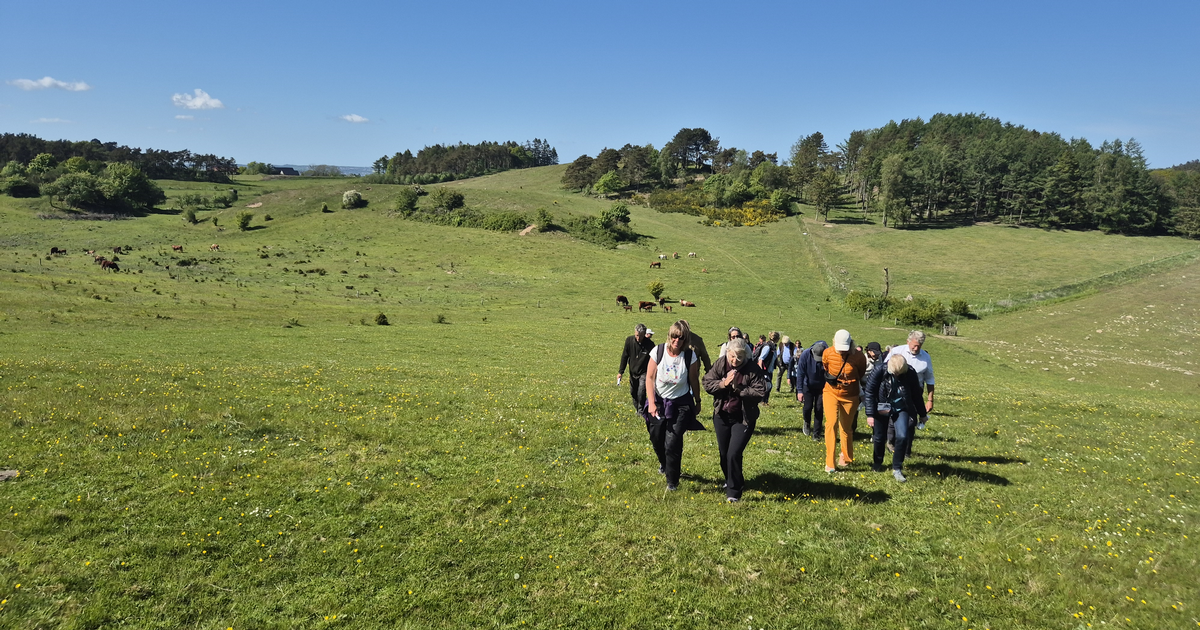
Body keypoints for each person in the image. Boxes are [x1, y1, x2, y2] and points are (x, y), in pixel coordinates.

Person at [702, 337, 768, 502]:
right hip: (722, 415)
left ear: (745, 355)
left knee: (733, 453)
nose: (735, 360)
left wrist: (740, 390)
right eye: (732, 356)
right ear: (727, 353)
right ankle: (733, 479)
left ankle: (734, 492)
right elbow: (707, 382)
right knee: (724, 454)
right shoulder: (721, 363)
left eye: (739, 357)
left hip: (743, 418)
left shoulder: (752, 369)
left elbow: (760, 392)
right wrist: (723, 384)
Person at [646, 320, 703, 491]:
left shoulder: (689, 356)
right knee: (656, 437)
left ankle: (672, 481)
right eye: (674, 336)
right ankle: (664, 464)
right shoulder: (658, 351)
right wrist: (651, 403)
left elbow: (693, 380)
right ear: (669, 336)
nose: (677, 341)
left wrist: (698, 401)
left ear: (686, 340)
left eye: (681, 338)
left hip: (681, 404)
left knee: (673, 442)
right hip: (658, 401)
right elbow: (649, 378)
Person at [863, 354, 928, 482]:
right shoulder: (879, 370)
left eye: (900, 373)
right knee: (879, 437)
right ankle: (878, 462)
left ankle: (897, 468)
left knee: (903, 436)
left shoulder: (910, 373)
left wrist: (923, 414)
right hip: (881, 407)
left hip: (902, 408)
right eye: (895, 373)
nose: (897, 375)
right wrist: (870, 415)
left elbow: (916, 395)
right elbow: (869, 393)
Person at [821, 329, 867, 473]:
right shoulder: (827, 353)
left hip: (850, 395)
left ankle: (846, 457)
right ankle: (830, 462)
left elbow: (861, 373)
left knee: (846, 428)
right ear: (834, 342)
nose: (842, 352)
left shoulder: (859, 357)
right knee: (831, 423)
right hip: (831, 392)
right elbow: (826, 367)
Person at [885, 330, 935, 455]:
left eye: (919, 346)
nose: (916, 348)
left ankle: (906, 451)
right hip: (895, 390)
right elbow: (884, 369)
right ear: (908, 342)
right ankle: (891, 441)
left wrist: (930, 400)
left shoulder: (925, 357)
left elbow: (929, 379)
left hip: (915, 392)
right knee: (893, 417)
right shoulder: (897, 352)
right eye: (914, 345)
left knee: (911, 421)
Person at [617, 323, 655, 414]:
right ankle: (638, 408)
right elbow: (624, 357)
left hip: (644, 372)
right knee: (633, 392)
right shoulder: (629, 341)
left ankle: (641, 411)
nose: (638, 338)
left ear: (645, 334)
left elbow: (654, 361)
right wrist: (620, 372)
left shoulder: (650, 345)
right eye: (637, 335)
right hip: (633, 372)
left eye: (641, 336)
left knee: (641, 391)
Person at [794, 340, 828, 440]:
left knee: (819, 408)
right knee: (808, 407)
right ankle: (807, 422)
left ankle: (816, 434)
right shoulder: (805, 355)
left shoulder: (828, 355)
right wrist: (799, 391)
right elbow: (800, 373)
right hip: (807, 385)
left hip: (822, 387)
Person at [756, 331, 779, 404]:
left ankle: (765, 402)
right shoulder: (767, 347)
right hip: (765, 370)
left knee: (768, 386)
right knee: (767, 386)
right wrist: (761, 371)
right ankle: (762, 401)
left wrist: (779, 366)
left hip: (770, 370)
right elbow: (761, 358)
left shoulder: (773, 347)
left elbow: (775, 358)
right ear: (777, 338)